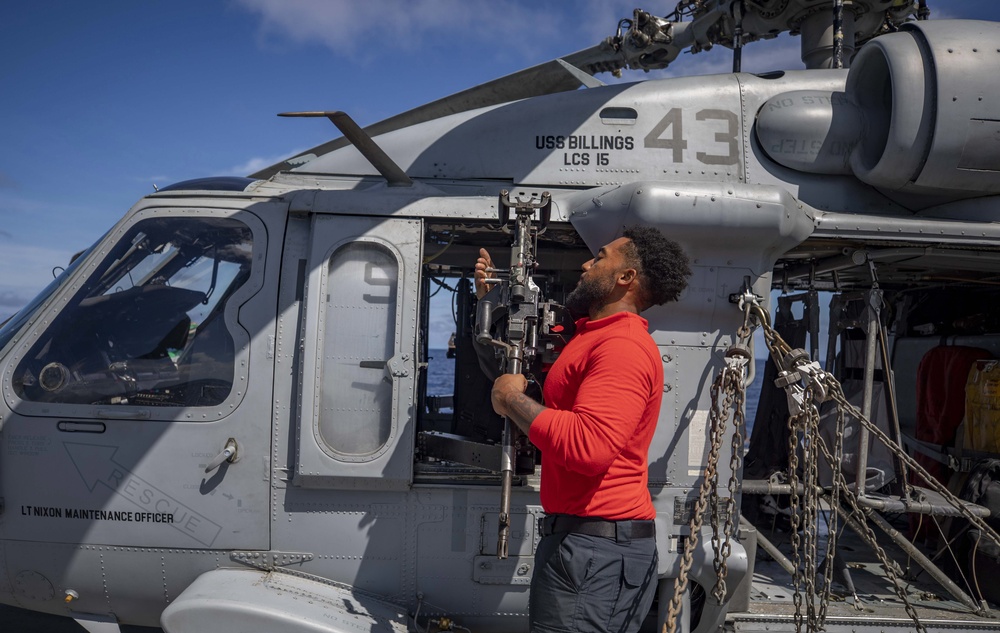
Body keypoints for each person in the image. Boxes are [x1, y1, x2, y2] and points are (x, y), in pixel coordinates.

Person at [476, 226, 691, 633]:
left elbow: (588, 447)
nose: (586, 263)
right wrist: (489, 304)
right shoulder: (593, 337)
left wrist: (511, 402)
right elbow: (520, 378)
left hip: (597, 552)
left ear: (625, 277)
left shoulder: (621, 347)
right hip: (588, 547)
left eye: (601, 257)